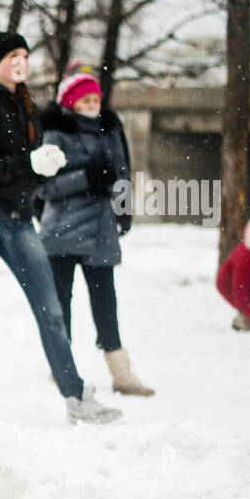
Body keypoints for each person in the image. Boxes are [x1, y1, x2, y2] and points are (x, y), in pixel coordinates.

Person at [0, 31, 122, 429]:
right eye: (13, 55)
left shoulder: (25, 105)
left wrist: (45, 168)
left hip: (18, 218)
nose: (21, 61)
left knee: (51, 309)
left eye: (25, 55)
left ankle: (75, 396)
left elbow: (30, 164)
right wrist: (29, 164)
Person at [39, 65, 154, 396]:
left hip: (102, 232)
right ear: (72, 101)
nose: (92, 104)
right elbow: (45, 188)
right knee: (60, 305)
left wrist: (124, 208)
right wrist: (86, 178)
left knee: (106, 304)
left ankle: (122, 374)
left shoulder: (110, 129)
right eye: (85, 99)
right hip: (61, 232)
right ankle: (60, 369)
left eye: (96, 99)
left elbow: (121, 173)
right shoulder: (55, 133)